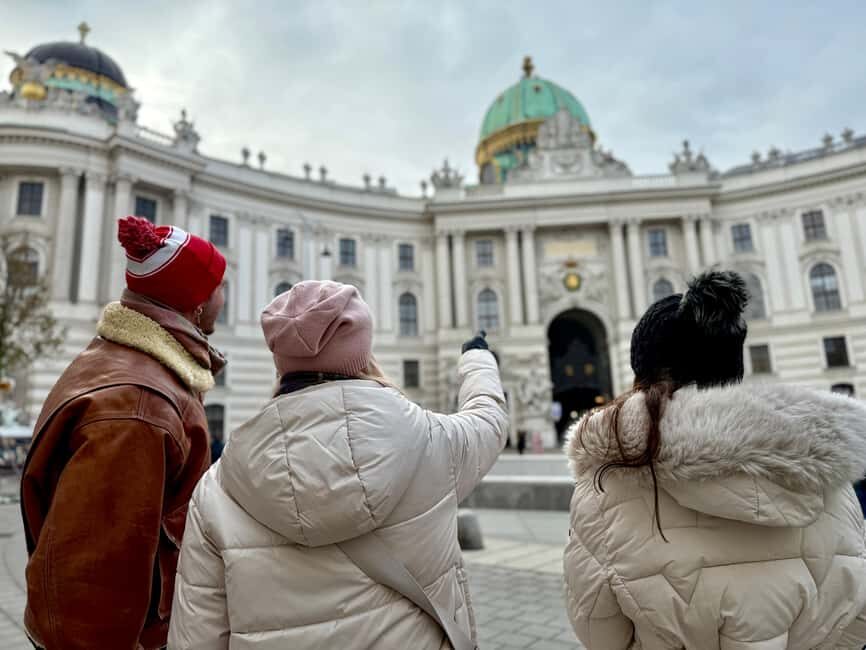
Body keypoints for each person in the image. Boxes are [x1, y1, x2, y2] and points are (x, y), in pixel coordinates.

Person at [168, 280, 508, 649]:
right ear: (361, 354)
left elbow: (196, 636)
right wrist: (477, 361)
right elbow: (488, 420)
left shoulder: (217, 488)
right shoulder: (431, 442)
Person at [562, 270, 866, 649]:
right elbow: (856, 619)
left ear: (643, 373)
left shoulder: (606, 488)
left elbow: (599, 632)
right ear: (733, 367)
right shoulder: (831, 478)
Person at [21, 216, 227, 649]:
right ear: (195, 302)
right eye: (219, 285)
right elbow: (94, 579)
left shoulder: (133, 369)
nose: (225, 296)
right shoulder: (139, 406)